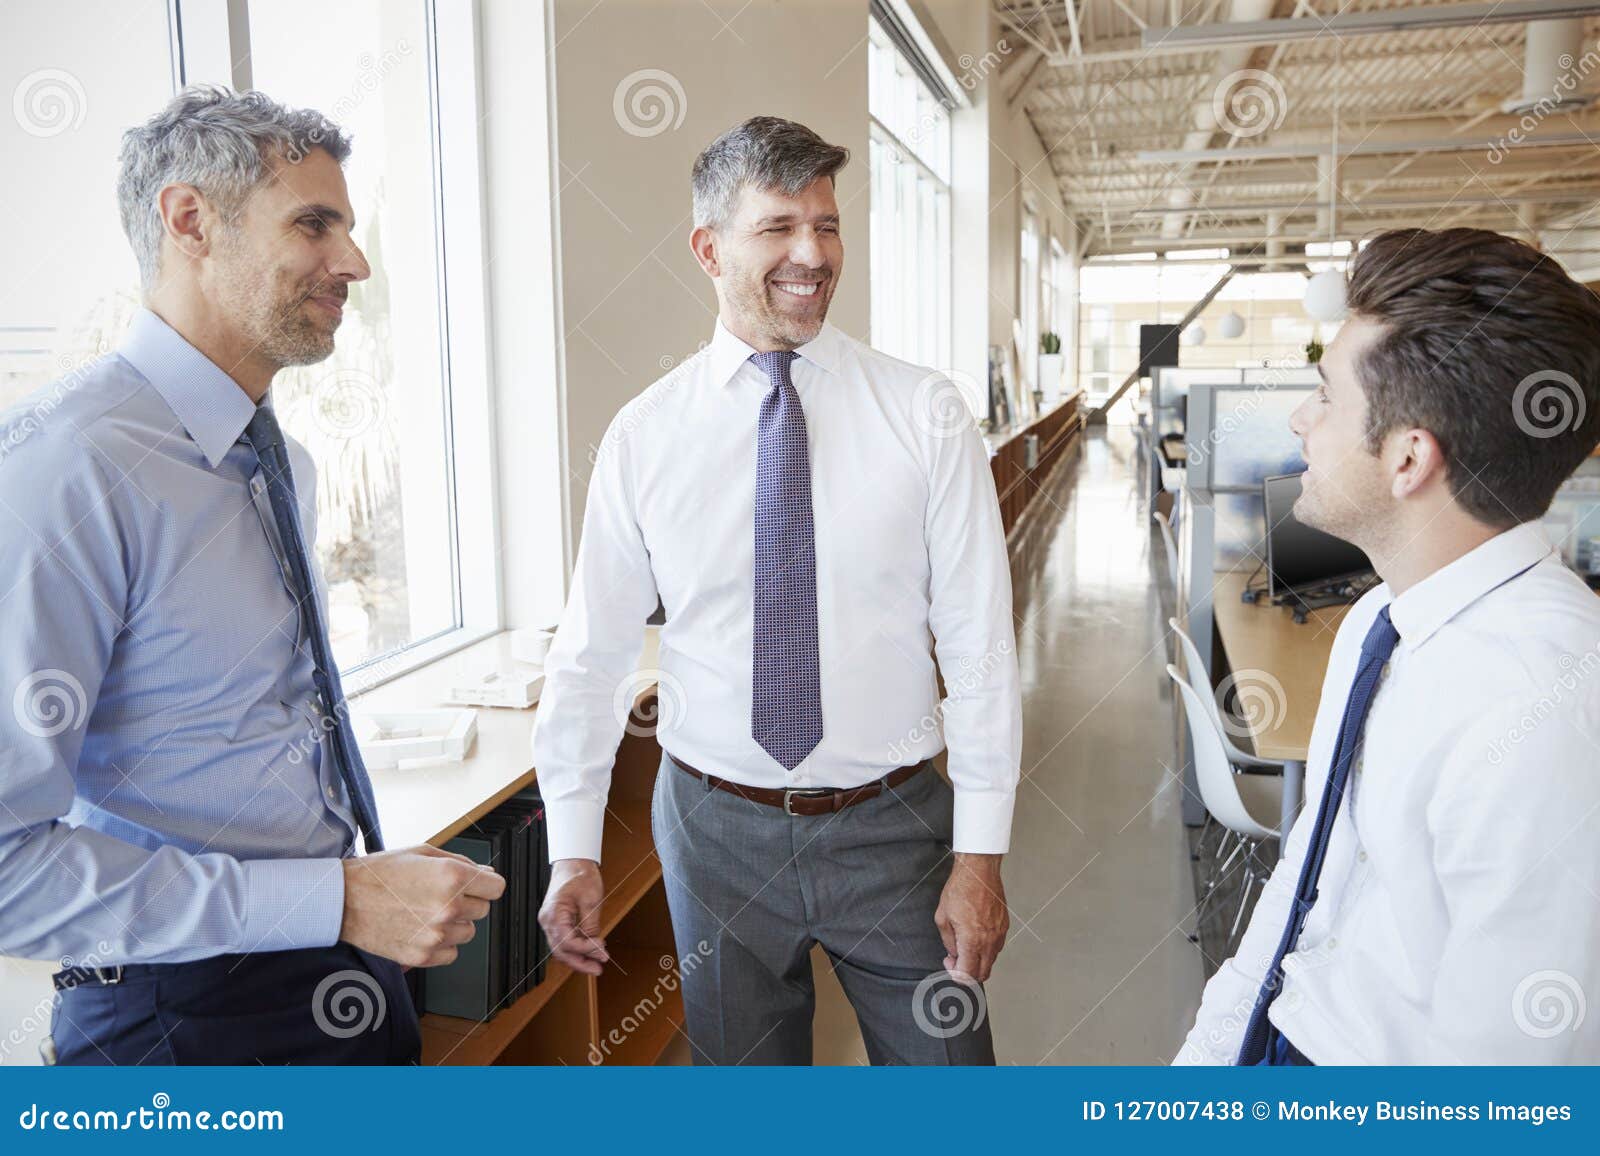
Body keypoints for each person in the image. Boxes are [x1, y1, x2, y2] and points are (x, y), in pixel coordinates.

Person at [0, 85, 503, 1065]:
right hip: (180, 1023)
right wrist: (334, 899)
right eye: (315, 224)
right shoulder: (66, 471)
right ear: (189, 220)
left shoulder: (275, 463)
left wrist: (342, 903)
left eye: (349, 228)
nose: (353, 263)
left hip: (331, 962)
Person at [533, 116, 1021, 1064]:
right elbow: (588, 654)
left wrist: (981, 855)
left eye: (827, 225)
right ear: (708, 249)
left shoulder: (925, 413)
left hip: (895, 824)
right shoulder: (645, 437)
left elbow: (981, 647)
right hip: (714, 836)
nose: (813, 254)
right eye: (779, 228)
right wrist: (573, 846)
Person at [1177, 227, 1600, 1065]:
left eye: (1326, 396)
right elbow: (1309, 873)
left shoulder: (1545, 708)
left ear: (1410, 456)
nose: (1301, 418)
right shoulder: (1381, 620)